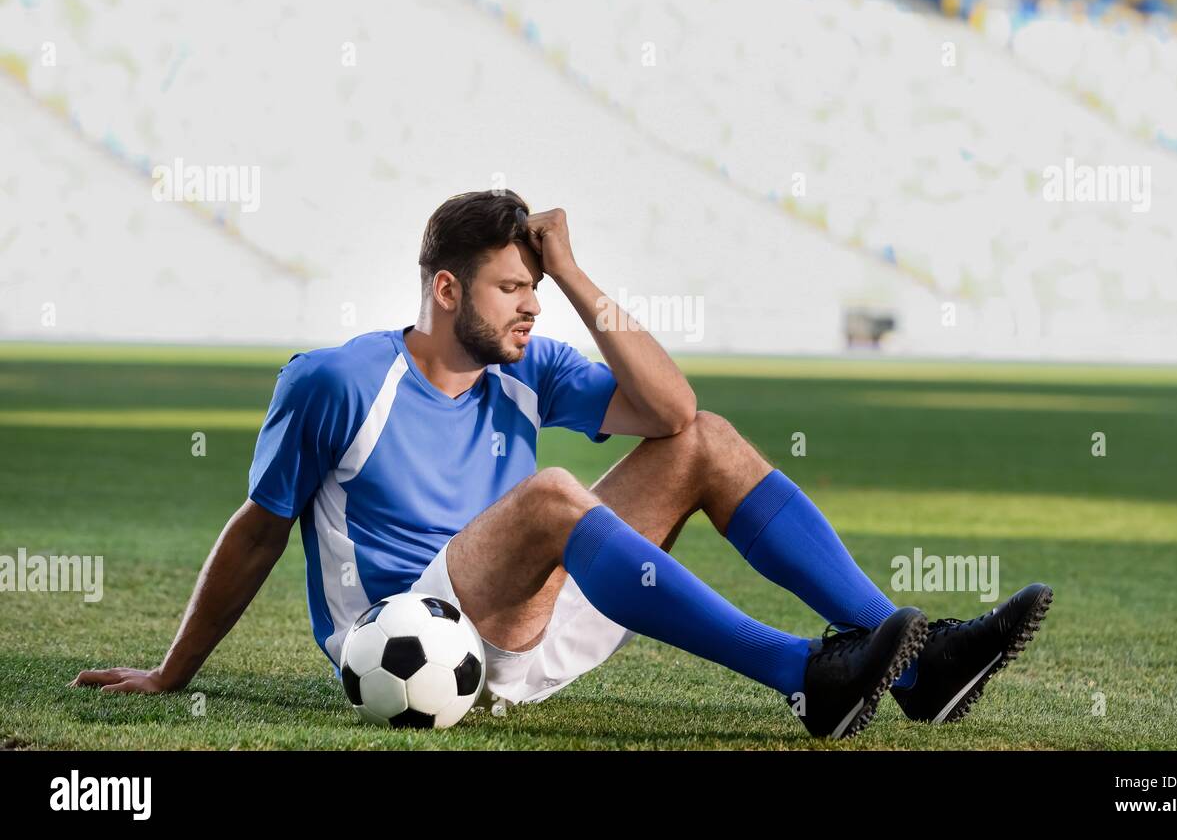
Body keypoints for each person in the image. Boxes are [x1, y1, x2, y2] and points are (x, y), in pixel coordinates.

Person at [71, 189, 1052, 738]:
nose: (528, 307)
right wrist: (172, 673)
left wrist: (574, 275)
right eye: (510, 288)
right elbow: (258, 531)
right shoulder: (336, 381)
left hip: (529, 608)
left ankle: (910, 662)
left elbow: (670, 411)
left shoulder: (530, 360)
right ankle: (802, 674)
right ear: (444, 289)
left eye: (534, 288)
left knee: (701, 440)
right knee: (551, 494)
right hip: (405, 634)